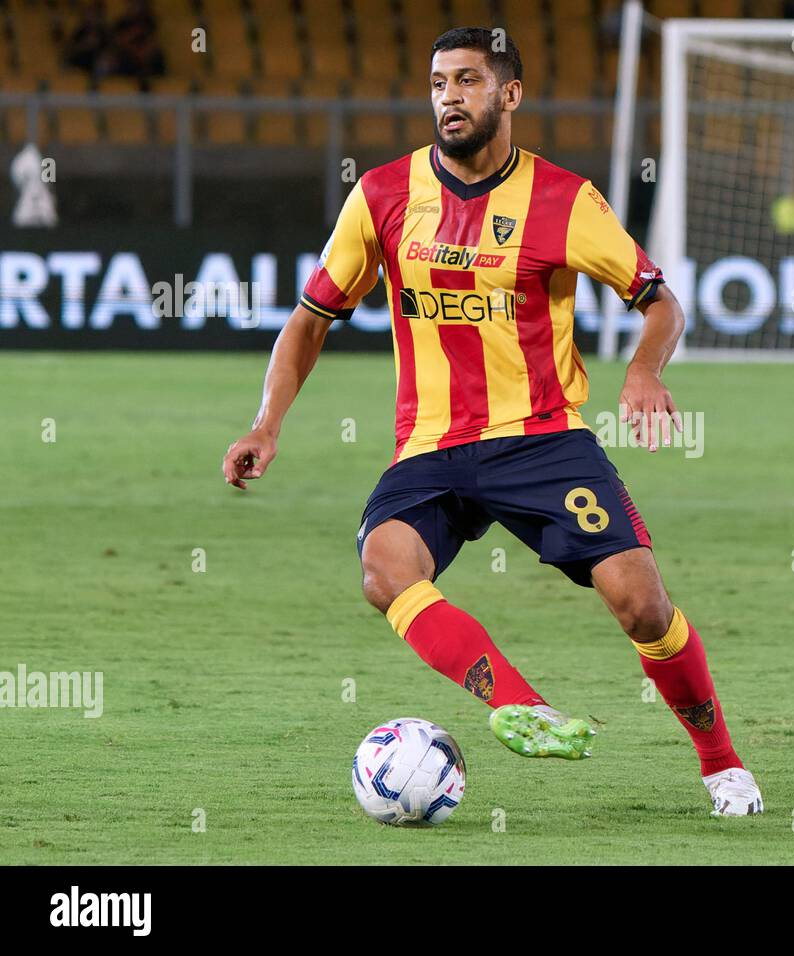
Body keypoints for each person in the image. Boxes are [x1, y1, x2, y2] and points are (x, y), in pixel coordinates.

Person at [222, 27, 763, 816]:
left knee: (642, 604)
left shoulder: (565, 201)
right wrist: (267, 422)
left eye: (468, 81)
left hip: (541, 438)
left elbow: (660, 301)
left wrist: (644, 368)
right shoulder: (382, 195)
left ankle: (723, 765)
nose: (449, 97)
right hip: (432, 447)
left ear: (509, 95)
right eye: (439, 82)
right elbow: (310, 319)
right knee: (385, 568)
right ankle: (522, 705)